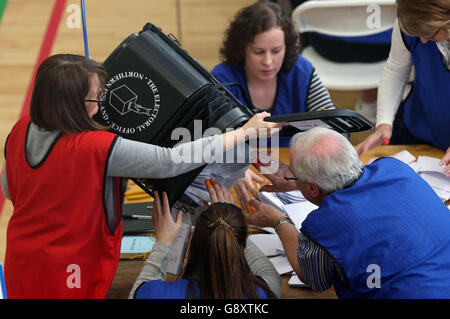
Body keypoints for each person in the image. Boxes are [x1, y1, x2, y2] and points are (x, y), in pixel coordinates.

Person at [0, 54, 283, 299]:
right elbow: (172, 161)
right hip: (71, 272)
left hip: (21, 263)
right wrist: (242, 133)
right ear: (69, 105)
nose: (102, 104)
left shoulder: (20, 128)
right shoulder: (95, 146)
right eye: (95, 98)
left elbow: (11, 190)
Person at [247, 127, 450, 298]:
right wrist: (298, 183)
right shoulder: (395, 167)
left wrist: (279, 221)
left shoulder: (322, 226)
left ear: (312, 188)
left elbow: (314, 280)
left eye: (293, 174)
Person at [211, 1, 335, 210]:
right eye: (259, 52)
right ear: (242, 49)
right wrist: (231, 170)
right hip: (236, 182)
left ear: (287, 46)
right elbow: (205, 139)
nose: (268, 61)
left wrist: (300, 175)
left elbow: (333, 129)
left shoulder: (302, 71)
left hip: (297, 176)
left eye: (276, 50)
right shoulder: (222, 78)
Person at [129, 180, 281, 299]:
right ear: (243, 251)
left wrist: (163, 242)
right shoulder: (264, 292)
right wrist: (228, 221)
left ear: (194, 247)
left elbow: (138, 290)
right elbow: (269, 275)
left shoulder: (161, 295)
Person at [356, 0, 450, 177]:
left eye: (429, 33)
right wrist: (384, 122)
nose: (422, 40)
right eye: (417, 33)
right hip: (420, 124)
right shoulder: (410, 23)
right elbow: (395, 70)